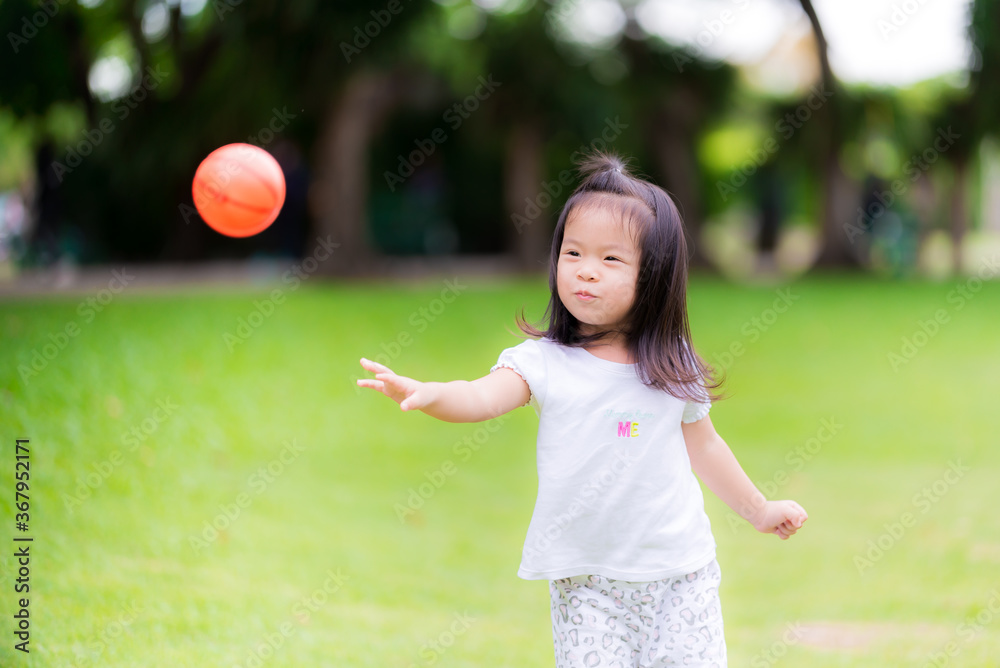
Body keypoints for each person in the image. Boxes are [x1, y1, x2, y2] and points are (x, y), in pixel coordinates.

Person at [356, 150, 807, 667]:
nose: (585, 272)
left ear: (655, 275)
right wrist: (433, 393)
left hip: (680, 576)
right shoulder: (543, 362)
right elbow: (482, 396)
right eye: (573, 254)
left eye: (611, 259)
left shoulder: (670, 365)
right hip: (587, 584)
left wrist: (759, 510)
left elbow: (704, 445)